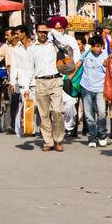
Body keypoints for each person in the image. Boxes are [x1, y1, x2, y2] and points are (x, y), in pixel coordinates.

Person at [28, 20, 70, 152]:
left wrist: (52, 31)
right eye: (40, 31)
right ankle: (48, 141)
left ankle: (58, 139)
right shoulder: (32, 48)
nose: (42, 34)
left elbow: (66, 44)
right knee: (44, 114)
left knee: (57, 111)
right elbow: (29, 68)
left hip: (55, 80)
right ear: (36, 32)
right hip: (40, 82)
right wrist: (28, 87)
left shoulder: (55, 44)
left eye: (44, 31)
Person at [77, 34, 109, 149]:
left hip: (100, 89)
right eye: (94, 46)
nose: (97, 49)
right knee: (89, 115)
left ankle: (102, 134)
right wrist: (70, 77)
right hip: (86, 88)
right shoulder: (86, 54)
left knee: (101, 113)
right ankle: (92, 137)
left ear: (102, 46)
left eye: (99, 46)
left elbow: (109, 73)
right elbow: (78, 64)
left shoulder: (106, 56)